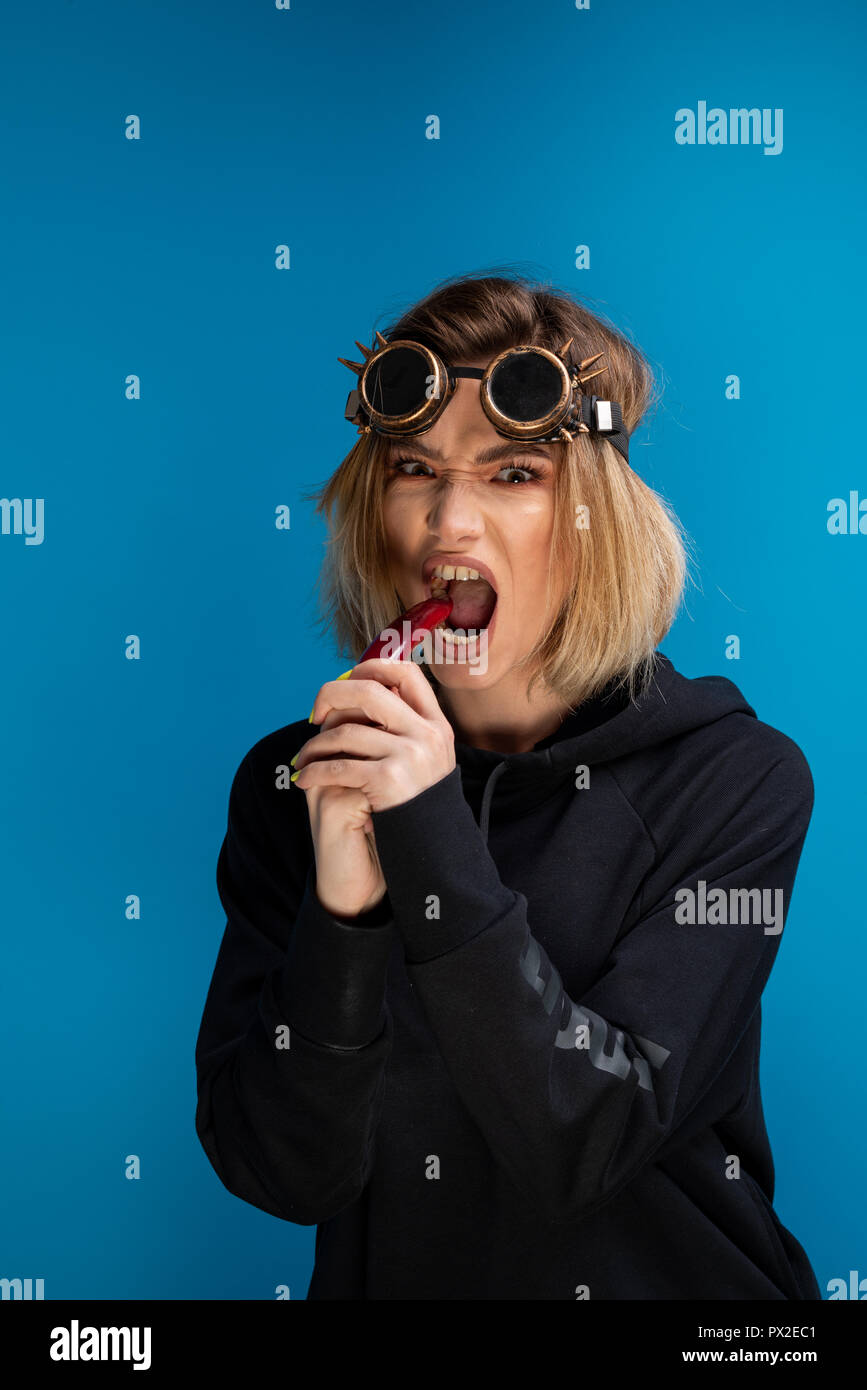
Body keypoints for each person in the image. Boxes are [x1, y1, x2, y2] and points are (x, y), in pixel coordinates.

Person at [194, 270, 820, 1300]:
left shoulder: (736, 780)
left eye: (514, 473)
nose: (451, 522)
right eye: (414, 469)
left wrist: (429, 828)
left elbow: (587, 1137)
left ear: (596, 520)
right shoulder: (297, 782)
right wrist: (344, 912)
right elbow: (279, 1171)